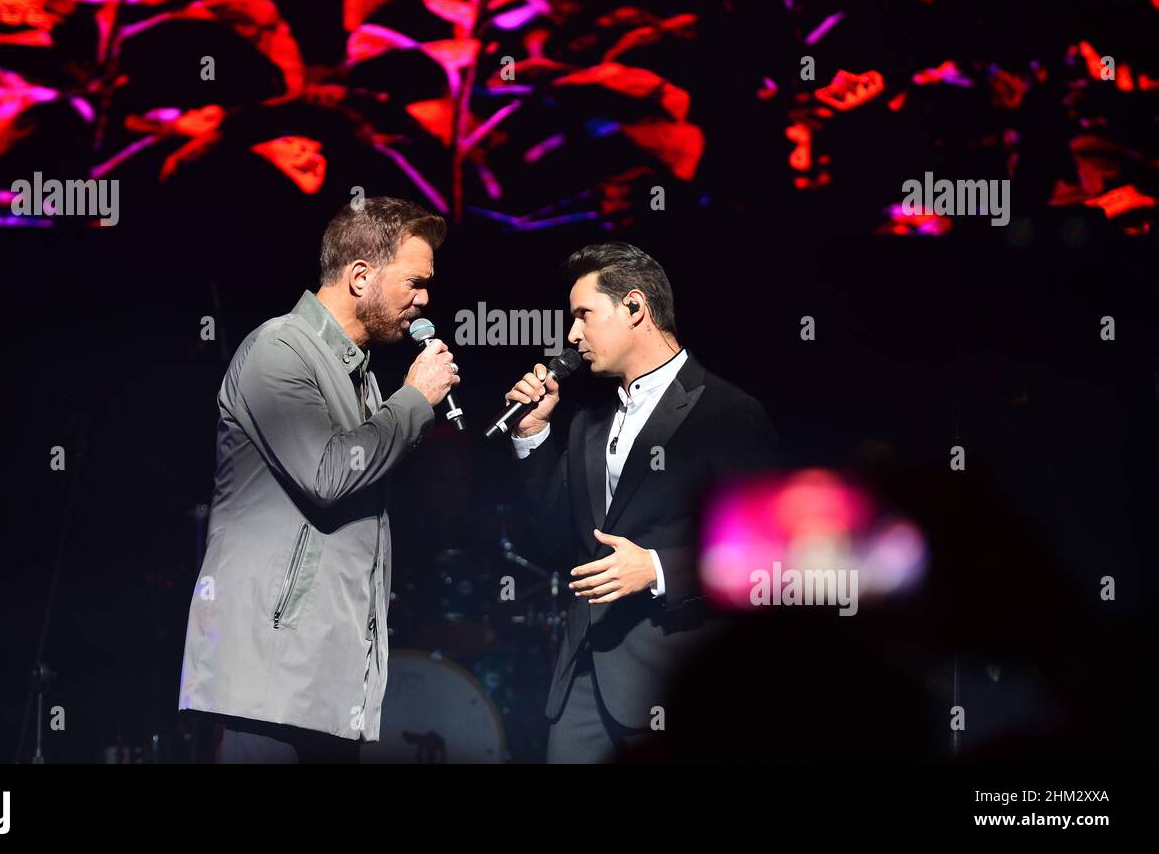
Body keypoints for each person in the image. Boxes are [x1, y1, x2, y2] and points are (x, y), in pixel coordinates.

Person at [179, 197, 459, 763]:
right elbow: (328, 474)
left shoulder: (363, 381)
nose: (425, 299)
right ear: (361, 276)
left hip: (331, 683)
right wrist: (414, 400)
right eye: (414, 281)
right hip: (270, 680)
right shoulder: (277, 349)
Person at [502, 242, 780, 763]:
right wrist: (534, 438)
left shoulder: (726, 412)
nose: (572, 335)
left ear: (634, 307)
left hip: (674, 682)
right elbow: (555, 539)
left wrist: (656, 568)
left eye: (584, 315)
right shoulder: (588, 419)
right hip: (582, 681)